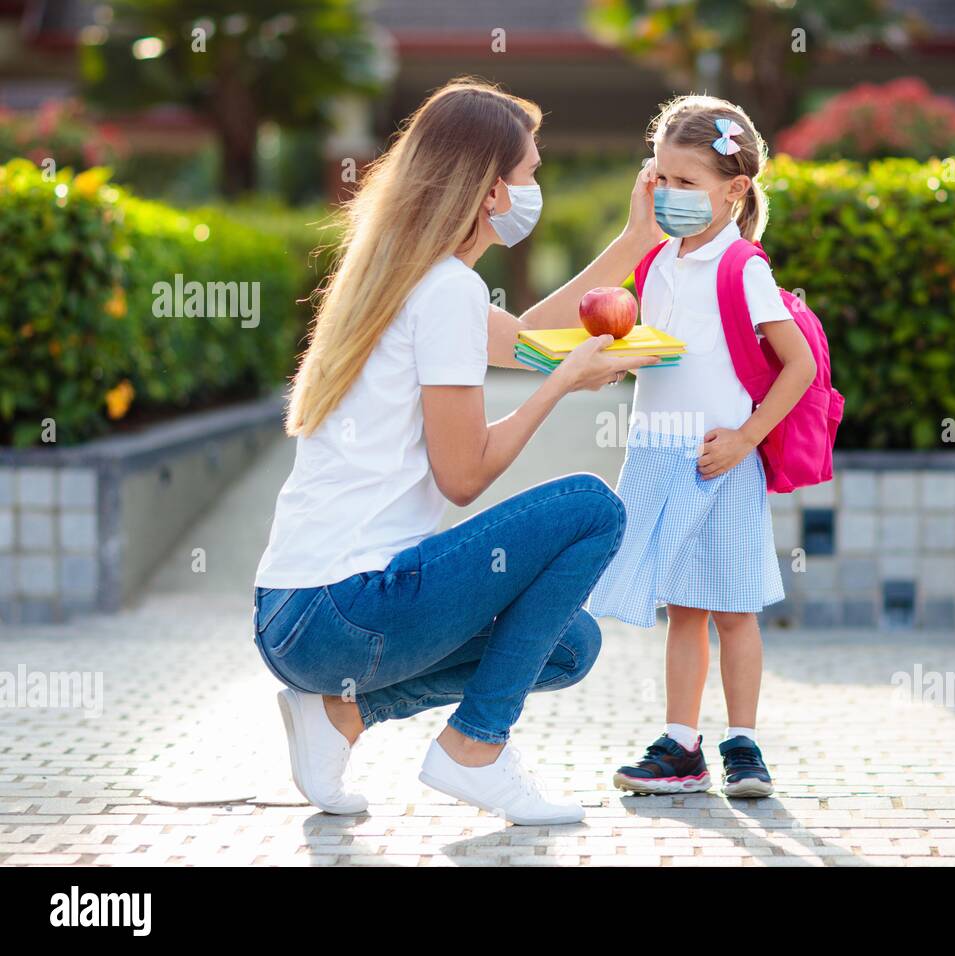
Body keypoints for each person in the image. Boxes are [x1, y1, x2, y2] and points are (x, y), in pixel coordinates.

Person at [251, 79, 662, 826]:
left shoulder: (410, 279)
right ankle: (475, 749)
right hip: (346, 611)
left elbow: (534, 341)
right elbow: (464, 475)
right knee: (591, 509)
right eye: (530, 173)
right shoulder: (443, 291)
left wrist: (634, 243)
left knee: (568, 645)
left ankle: (341, 716)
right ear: (490, 190)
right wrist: (562, 386)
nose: (536, 188)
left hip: (294, 619)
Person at [587, 95, 817, 797]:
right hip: (656, 452)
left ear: (735, 188)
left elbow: (798, 364)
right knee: (682, 608)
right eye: (661, 180)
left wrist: (749, 436)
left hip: (720, 457)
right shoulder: (654, 262)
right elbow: (650, 346)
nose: (671, 195)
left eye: (687, 183)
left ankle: (742, 743)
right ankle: (681, 744)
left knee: (734, 606)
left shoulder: (743, 266)